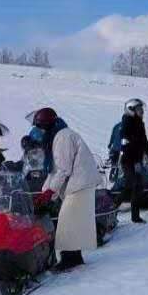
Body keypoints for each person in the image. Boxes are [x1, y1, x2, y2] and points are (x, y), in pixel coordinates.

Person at [28, 107, 102, 271]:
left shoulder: (62, 137)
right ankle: (74, 257)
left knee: (67, 221)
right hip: (77, 183)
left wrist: (49, 192)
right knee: (71, 221)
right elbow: (52, 171)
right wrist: (44, 191)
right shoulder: (56, 136)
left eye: (39, 127)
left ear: (45, 125)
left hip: (80, 182)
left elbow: (63, 169)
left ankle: (69, 259)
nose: (37, 131)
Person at [111, 98, 148, 225]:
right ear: (131, 110)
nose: (142, 112)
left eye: (142, 109)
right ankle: (111, 210)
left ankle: (135, 216)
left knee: (137, 187)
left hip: (137, 159)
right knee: (130, 185)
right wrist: (134, 142)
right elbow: (125, 138)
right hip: (127, 160)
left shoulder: (140, 123)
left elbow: (144, 140)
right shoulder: (126, 122)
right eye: (139, 109)